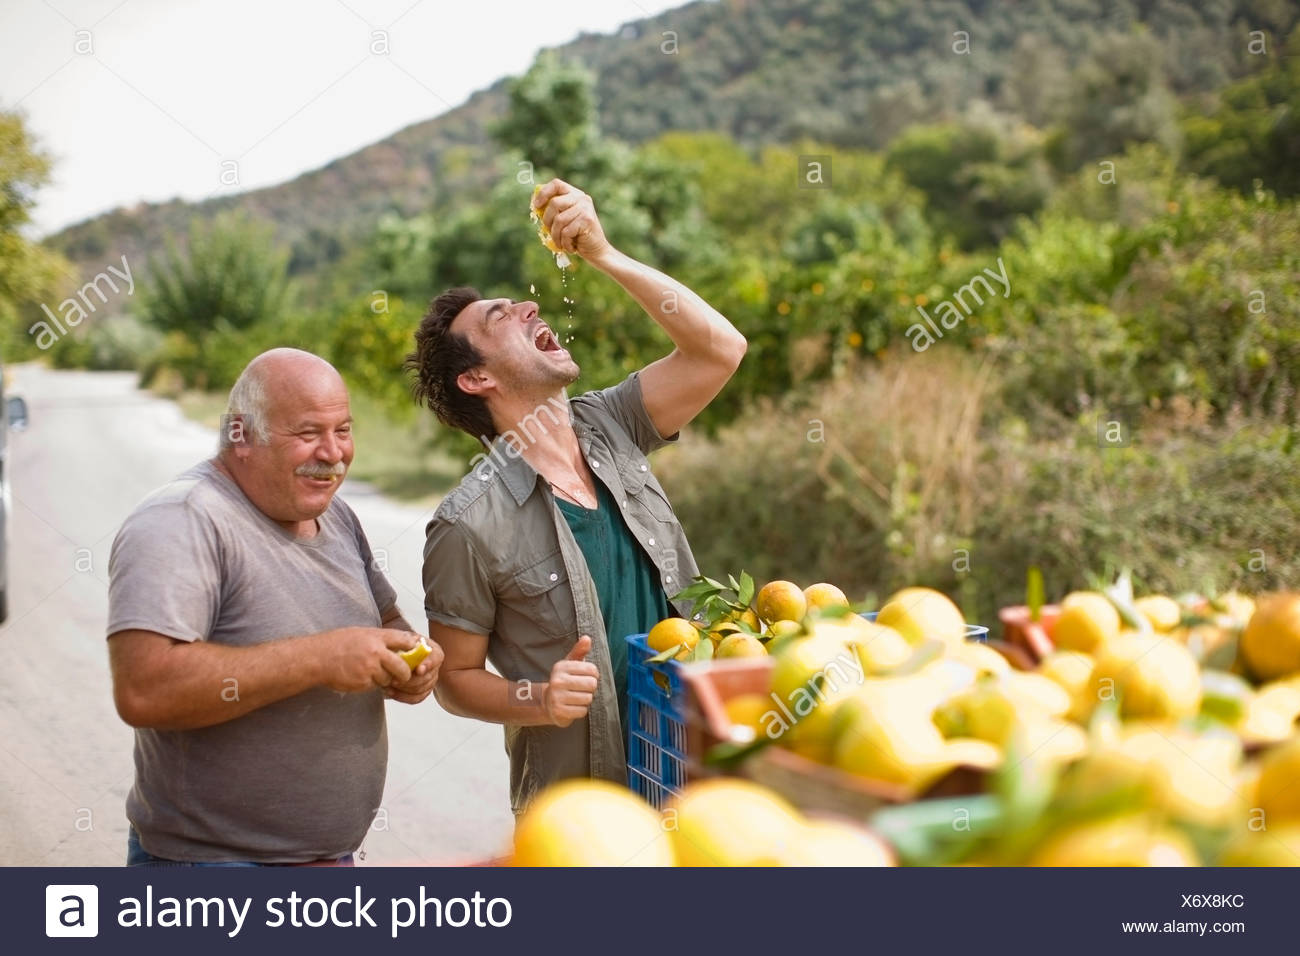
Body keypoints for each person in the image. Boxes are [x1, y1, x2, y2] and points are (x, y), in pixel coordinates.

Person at [407, 179, 746, 814]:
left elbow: (720, 350)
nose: (530, 310)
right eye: (500, 317)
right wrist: (535, 699)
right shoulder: (467, 523)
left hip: (692, 770)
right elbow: (453, 679)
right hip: (582, 811)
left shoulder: (613, 423)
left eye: (522, 304)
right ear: (476, 377)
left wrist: (604, 254)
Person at [106, 348, 442, 866]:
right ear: (242, 436)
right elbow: (144, 689)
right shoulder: (182, 520)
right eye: (308, 433)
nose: (333, 453)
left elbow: (386, 622)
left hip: (329, 861)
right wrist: (320, 658)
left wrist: (413, 658)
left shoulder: (336, 516)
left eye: (344, 430)